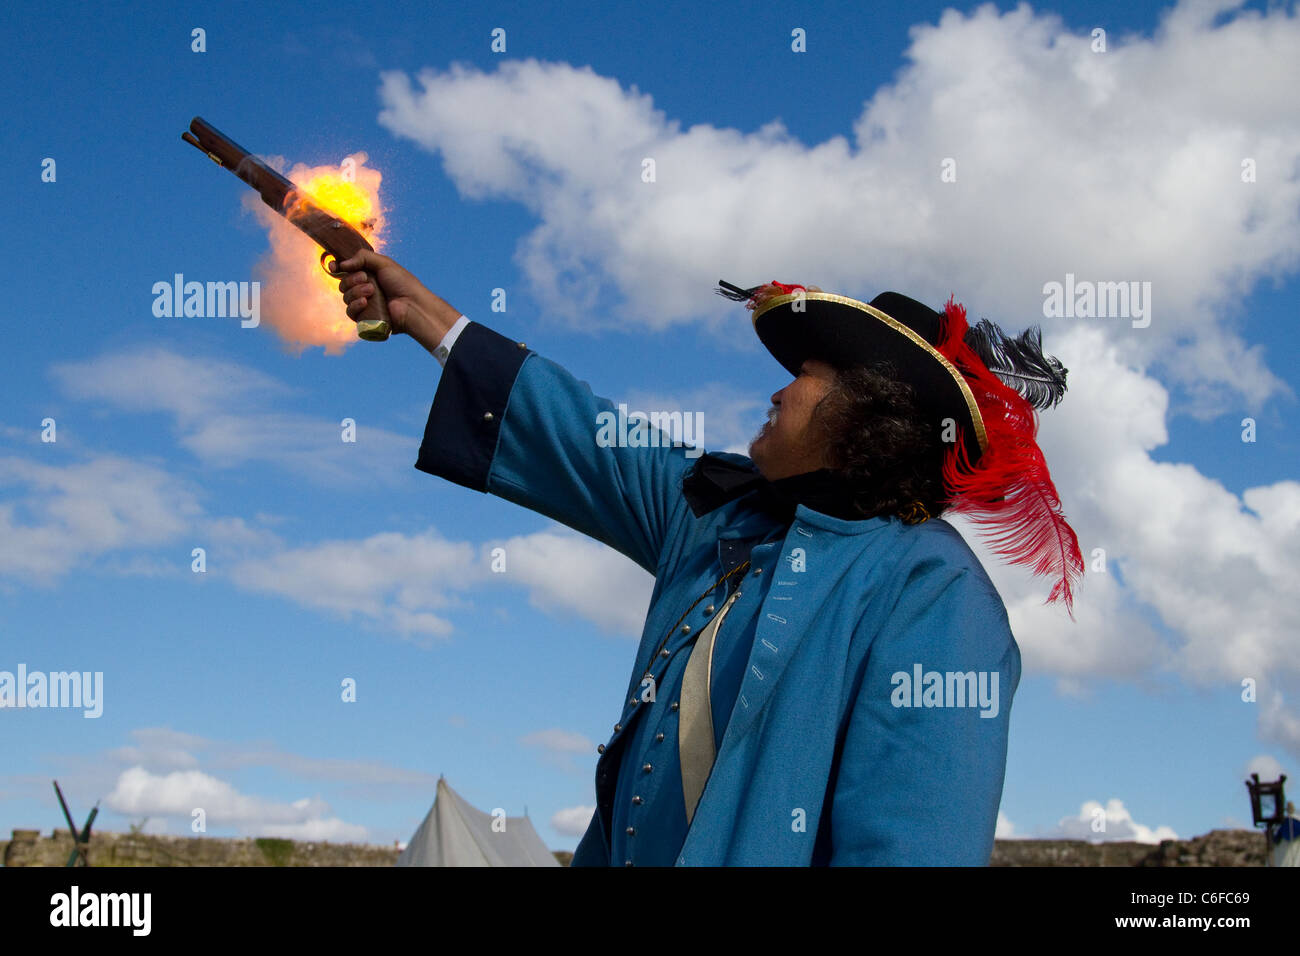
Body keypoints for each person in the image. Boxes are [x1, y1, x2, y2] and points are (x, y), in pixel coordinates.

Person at [331, 253, 1083, 866]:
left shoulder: (933, 590)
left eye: (807, 376)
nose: (780, 391)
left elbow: (914, 846)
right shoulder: (715, 511)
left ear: (870, 412)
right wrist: (420, 312)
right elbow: (585, 432)